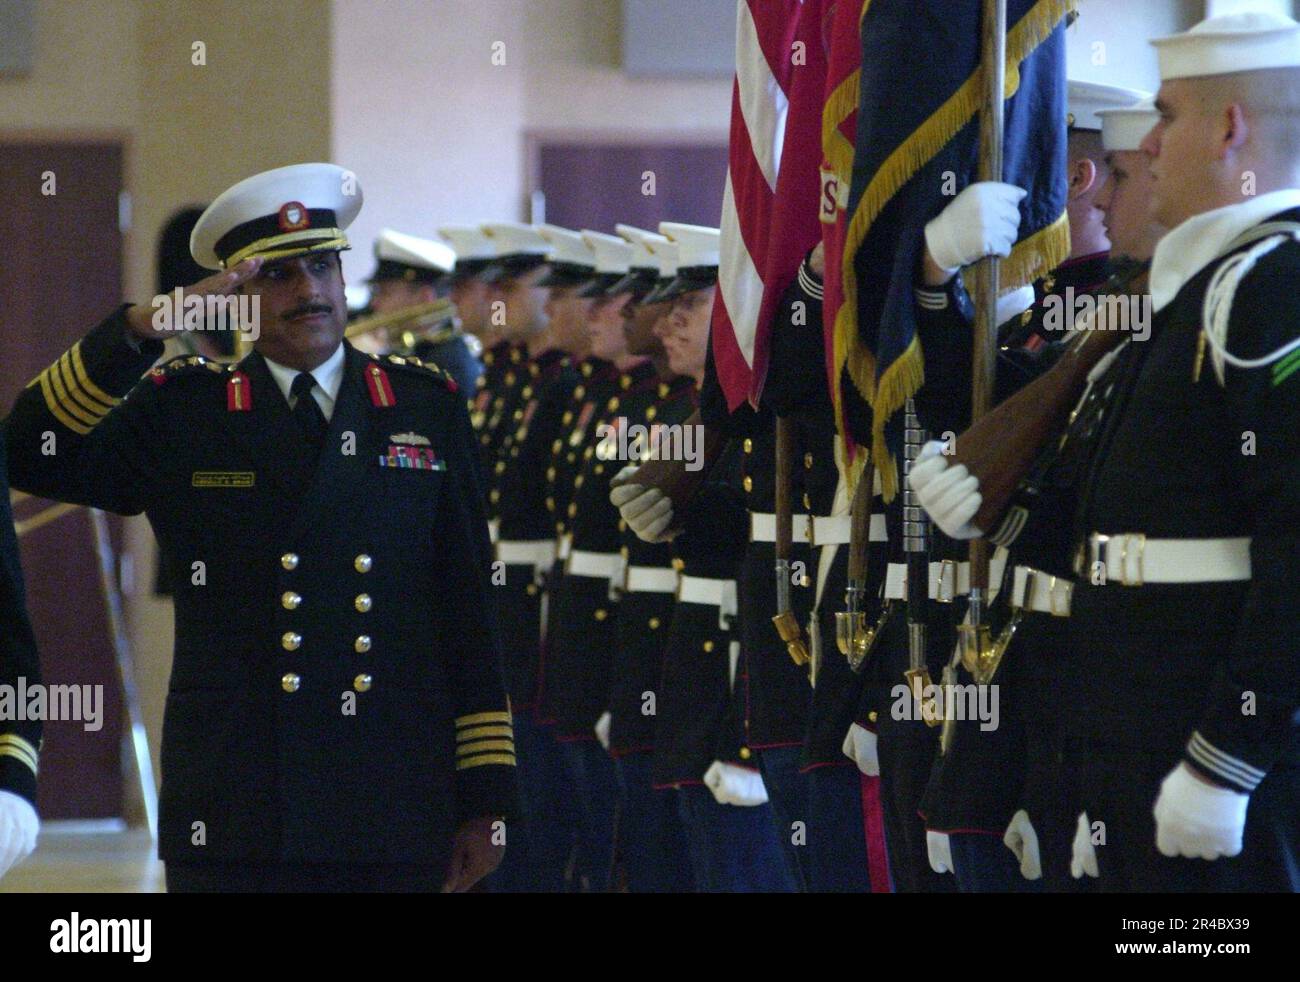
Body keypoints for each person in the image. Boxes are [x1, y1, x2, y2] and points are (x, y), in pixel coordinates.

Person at [1, 163, 518, 892]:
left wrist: (487, 799)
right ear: (239, 298)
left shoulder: (422, 408)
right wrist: (143, 329)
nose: (308, 291)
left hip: (391, 797)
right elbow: (28, 450)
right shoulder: (186, 411)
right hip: (238, 805)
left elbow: (469, 611)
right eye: (279, 276)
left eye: (321, 266)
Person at [916, 8, 1300, 892]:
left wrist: (1226, 759)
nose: (1154, 144)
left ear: (1230, 128)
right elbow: (1108, 520)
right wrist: (1001, 509)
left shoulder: (1270, 288)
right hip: (1123, 745)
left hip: (1205, 757)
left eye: (1167, 117)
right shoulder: (1187, 299)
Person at [615, 223, 790, 891]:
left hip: (737, 704)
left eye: (692, 304)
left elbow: (766, 584)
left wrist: (743, 743)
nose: (669, 322)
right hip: (693, 699)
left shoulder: (763, 422)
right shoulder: (703, 421)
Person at [365, 228, 483, 392]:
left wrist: (367, 366)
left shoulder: (448, 363)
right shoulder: (408, 347)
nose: (375, 303)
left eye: (385, 293)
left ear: (424, 298)